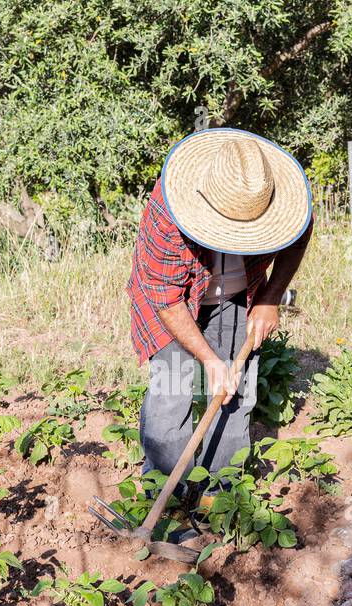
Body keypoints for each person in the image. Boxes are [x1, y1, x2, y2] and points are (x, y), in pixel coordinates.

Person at [127, 128, 314, 504]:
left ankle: (221, 494)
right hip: (175, 302)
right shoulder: (167, 211)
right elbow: (166, 299)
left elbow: (301, 234)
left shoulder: (278, 198)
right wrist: (210, 362)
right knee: (171, 391)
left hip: (240, 293)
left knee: (236, 392)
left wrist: (270, 297)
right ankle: (167, 497)